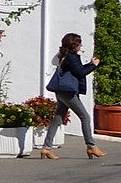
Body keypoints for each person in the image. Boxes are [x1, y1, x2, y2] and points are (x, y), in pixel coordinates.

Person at [39, 32, 103, 160]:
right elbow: (80, 73)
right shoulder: (72, 57)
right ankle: (91, 145)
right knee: (85, 117)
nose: (81, 45)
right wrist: (93, 65)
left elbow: (76, 70)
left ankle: (46, 148)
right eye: (79, 43)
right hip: (68, 92)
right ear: (74, 45)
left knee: (57, 119)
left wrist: (89, 64)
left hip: (62, 91)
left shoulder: (66, 56)